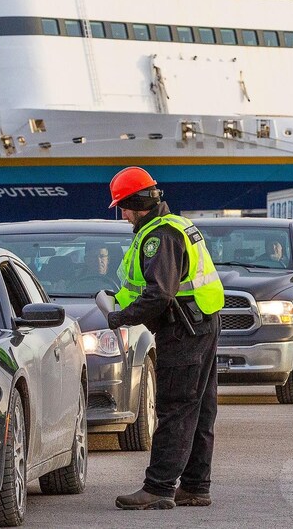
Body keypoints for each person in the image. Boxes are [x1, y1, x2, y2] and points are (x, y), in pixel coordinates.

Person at [103, 166, 224, 510]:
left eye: (123, 207)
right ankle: (196, 486)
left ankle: (158, 488)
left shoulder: (160, 236)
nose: (123, 215)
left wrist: (119, 317)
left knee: (175, 408)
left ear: (139, 201)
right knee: (199, 409)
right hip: (200, 325)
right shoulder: (176, 225)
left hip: (183, 330)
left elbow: (159, 295)